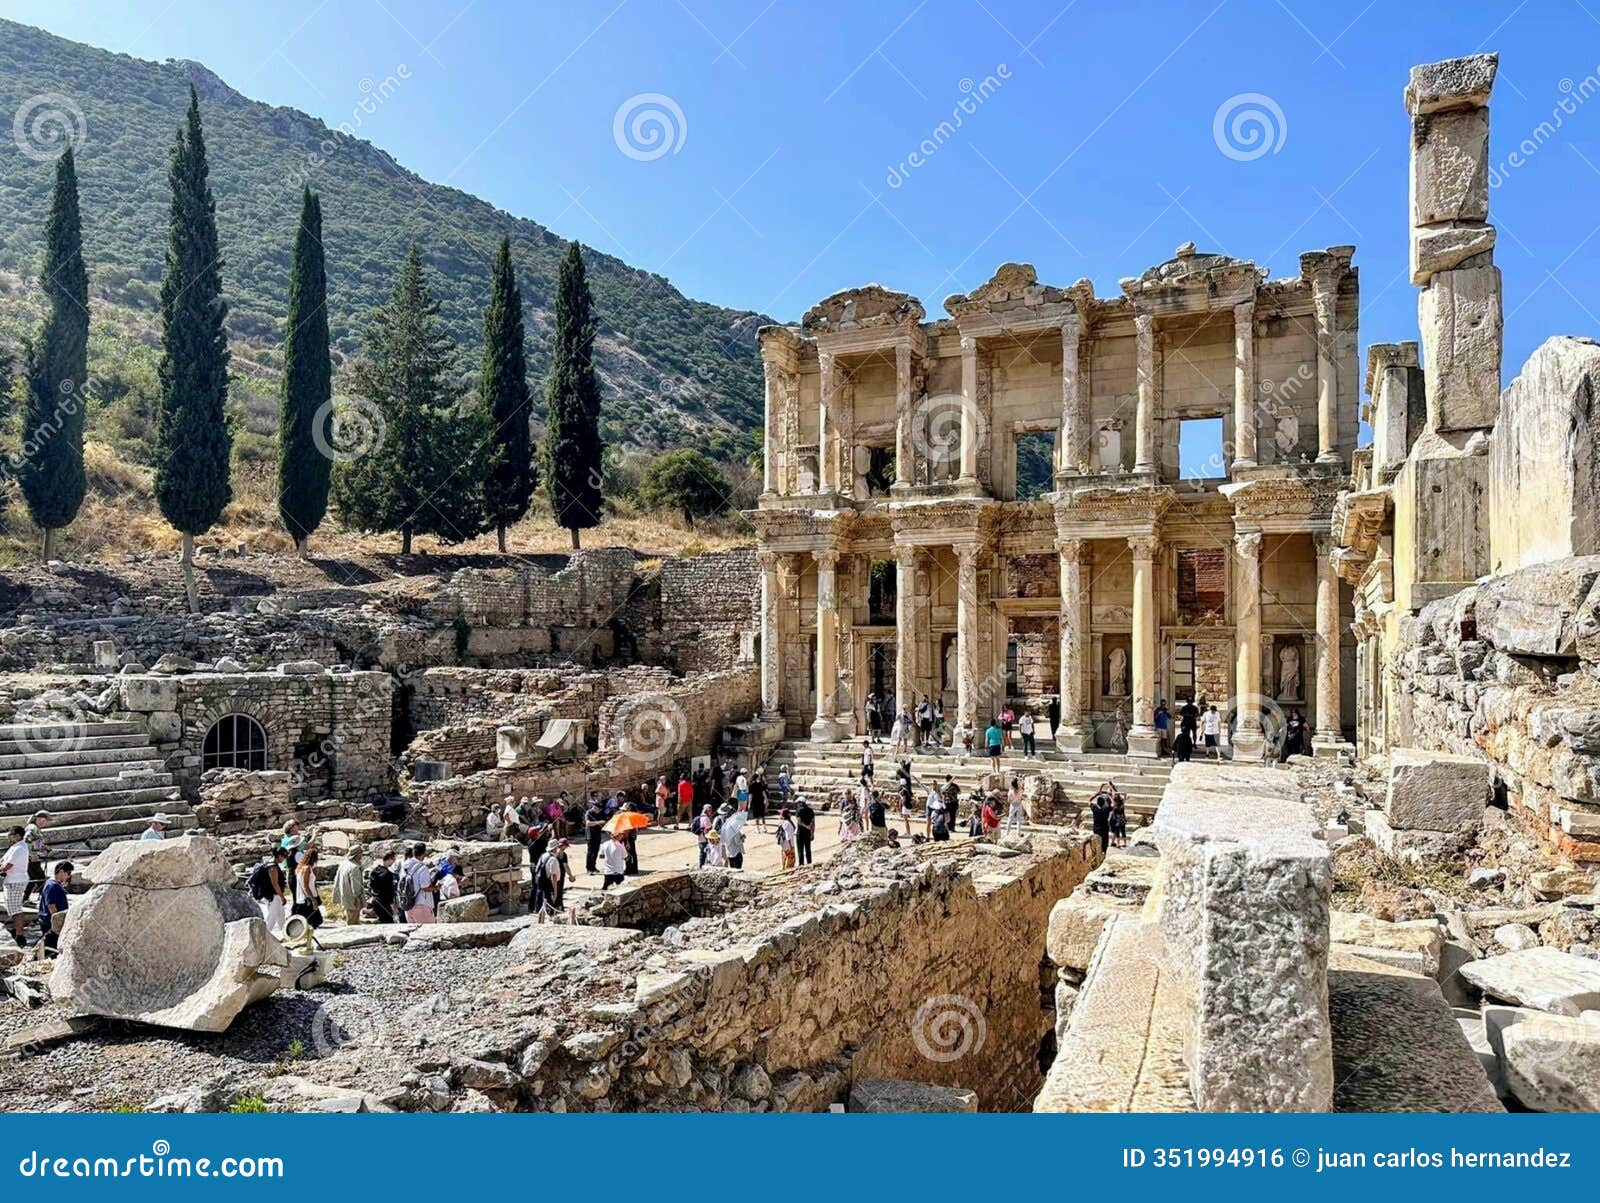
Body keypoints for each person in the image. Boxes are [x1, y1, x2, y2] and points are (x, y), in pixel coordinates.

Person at [249, 848, 290, 934]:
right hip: (272, 895)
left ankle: (285, 933)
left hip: (274, 895)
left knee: (281, 914)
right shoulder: (272, 867)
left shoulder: (270, 863)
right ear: (279, 856)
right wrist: (282, 896)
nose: (284, 859)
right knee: (272, 916)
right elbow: (275, 884)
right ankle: (265, 935)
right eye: (284, 857)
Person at [37, 861, 70, 954]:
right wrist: (58, 923)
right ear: (62, 872)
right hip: (51, 924)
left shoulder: (52, 884)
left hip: (50, 922)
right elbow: (51, 906)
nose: (68, 877)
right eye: (68, 873)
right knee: (51, 950)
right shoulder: (52, 886)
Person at [2, 827, 28, 946]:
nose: (8, 837)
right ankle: (15, 929)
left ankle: (20, 935)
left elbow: (7, 866)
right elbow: (3, 860)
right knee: (13, 908)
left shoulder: (19, 848)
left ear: (17, 835)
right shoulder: (14, 847)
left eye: (10, 835)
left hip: (15, 882)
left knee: (16, 909)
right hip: (11, 881)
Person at [401, 843, 436, 924]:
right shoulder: (423, 868)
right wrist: (437, 887)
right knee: (428, 933)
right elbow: (425, 887)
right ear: (424, 854)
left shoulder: (404, 865)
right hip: (421, 904)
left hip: (407, 904)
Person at [332, 848, 365, 924]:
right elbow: (355, 885)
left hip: (343, 896)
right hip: (352, 899)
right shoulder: (355, 867)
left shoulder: (343, 864)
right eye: (361, 854)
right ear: (357, 855)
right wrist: (357, 898)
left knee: (347, 917)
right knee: (353, 921)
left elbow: (336, 879)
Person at [22, 812, 48, 904]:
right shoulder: (33, 828)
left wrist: (42, 847)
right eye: (45, 821)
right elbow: (27, 839)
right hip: (31, 858)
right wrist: (36, 843)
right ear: (40, 819)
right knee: (41, 878)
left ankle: (25, 898)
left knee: (33, 878)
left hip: (32, 858)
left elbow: (36, 842)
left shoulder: (34, 828)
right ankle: (46, 899)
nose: (46, 823)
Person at [293, 848, 322, 929]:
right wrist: (313, 899)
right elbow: (305, 886)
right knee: (315, 921)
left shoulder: (300, 867)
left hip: (304, 897)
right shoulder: (306, 869)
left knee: (313, 920)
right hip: (308, 897)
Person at [369, 851, 398, 924]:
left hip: (375, 900)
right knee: (389, 922)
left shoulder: (375, 870)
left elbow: (371, 885)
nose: (394, 862)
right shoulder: (388, 874)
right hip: (384, 902)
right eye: (393, 859)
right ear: (389, 859)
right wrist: (392, 905)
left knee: (382, 921)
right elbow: (388, 891)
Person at [722, 804, 748, 870]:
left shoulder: (724, 829)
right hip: (736, 853)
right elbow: (738, 842)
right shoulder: (734, 830)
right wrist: (742, 838)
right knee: (738, 870)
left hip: (729, 853)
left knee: (732, 870)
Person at [1090, 788, 1113, 853]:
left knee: (1097, 843)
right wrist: (1110, 796)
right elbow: (1113, 805)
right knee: (1104, 843)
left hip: (1096, 828)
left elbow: (1089, 801)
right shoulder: (1106, 810)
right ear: (1104, 803)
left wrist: (1096, 794)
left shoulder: (1094, 809)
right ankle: (1104, 854)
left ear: (1097, 803)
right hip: (1105, 828)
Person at [795, 796, 816, 866]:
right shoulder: (811, 810)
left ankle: (801, 864)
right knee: (808, 849)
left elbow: (799, 821)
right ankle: (809, 863)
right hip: (808, 832)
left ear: (801, 803)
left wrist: (806, 826)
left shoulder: (799, 810)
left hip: (800, 832)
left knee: (800, 850)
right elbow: (813, 822)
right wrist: (812, 833)